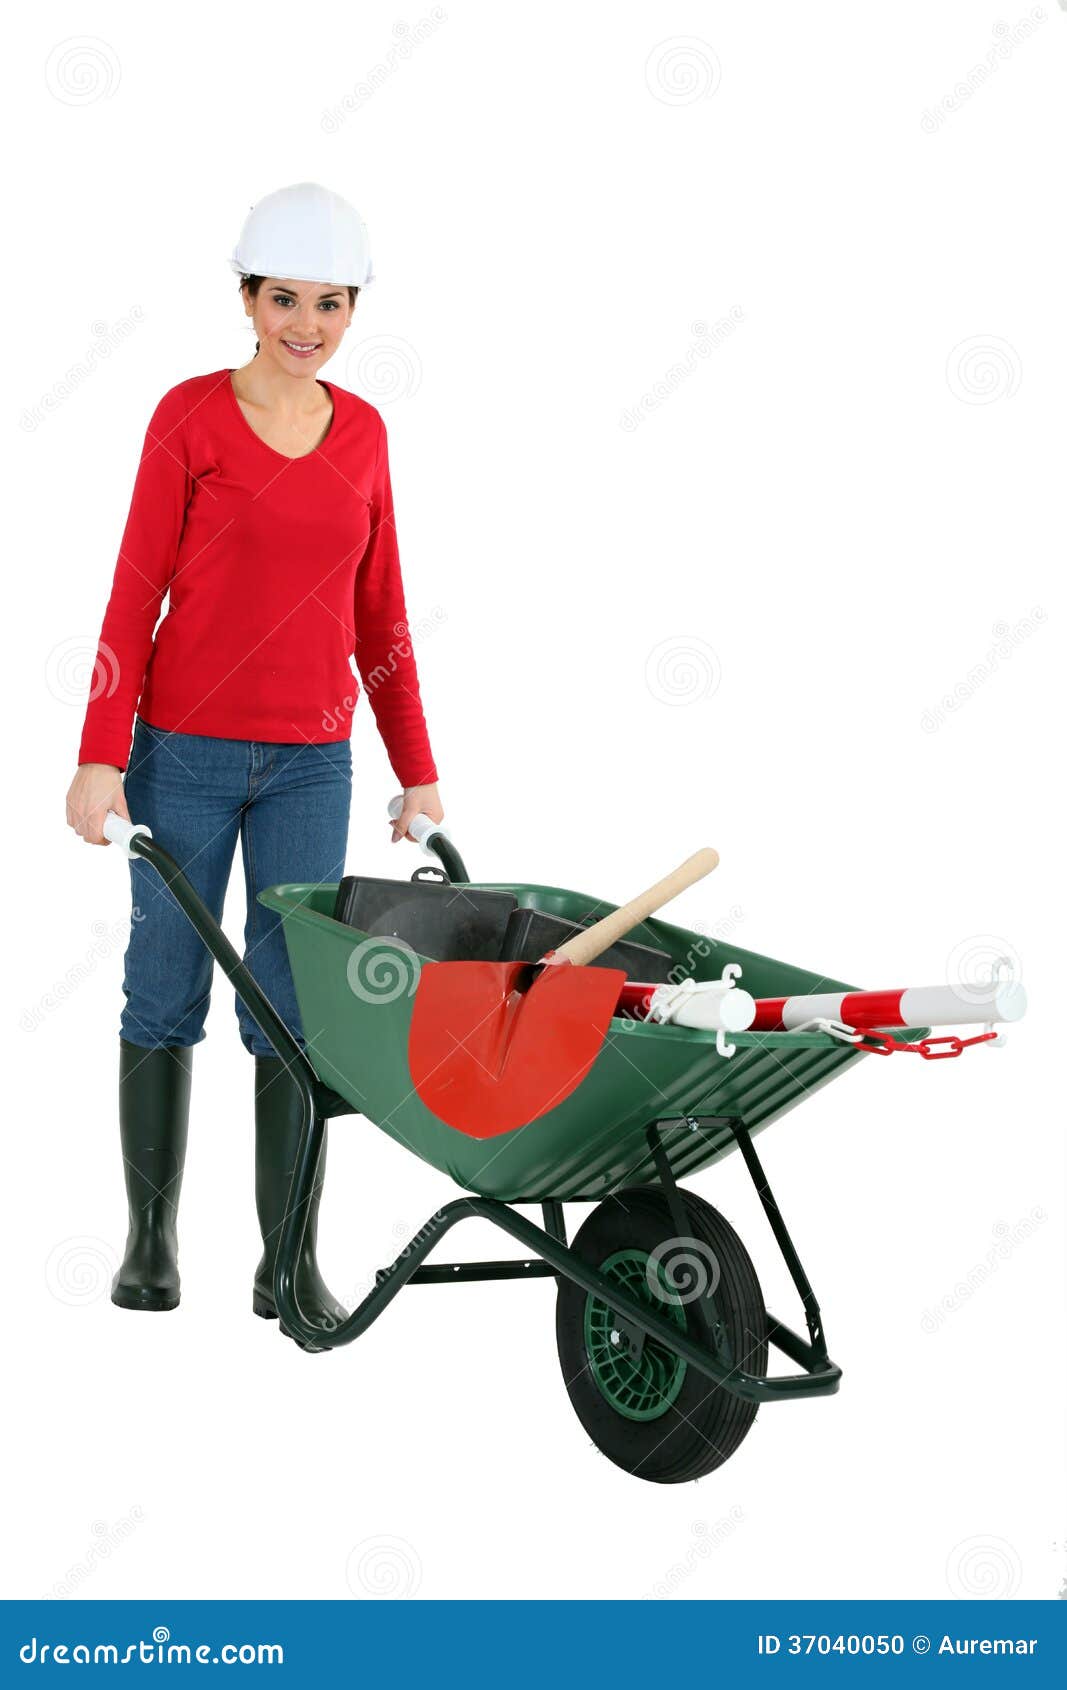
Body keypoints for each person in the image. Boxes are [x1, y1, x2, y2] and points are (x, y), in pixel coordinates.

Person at [64, 182, 444, 1342]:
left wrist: (415, 768)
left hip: (309, 767)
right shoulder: (188, 418)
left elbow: (380, 612)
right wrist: (97, 757)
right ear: (244, 298)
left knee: (289, 1014)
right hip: (177, 756)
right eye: (285, 299)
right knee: (165, 989)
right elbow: (135, 595)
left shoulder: (366, 431)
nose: (308, 325)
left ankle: (287, 1265)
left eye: (331, 304)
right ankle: (150, 1238)